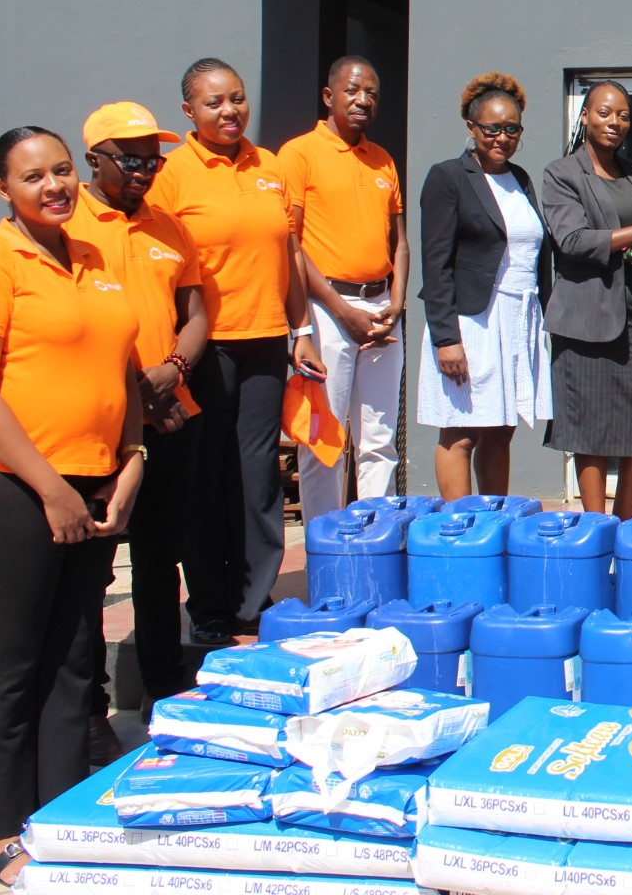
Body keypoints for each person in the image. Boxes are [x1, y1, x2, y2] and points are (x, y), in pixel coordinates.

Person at [0, 127, 145, 885]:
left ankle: (58, 810)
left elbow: (120, 372)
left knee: (75, 660)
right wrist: (51, 488)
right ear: (5, 189)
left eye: (62, 170)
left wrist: (132, 462)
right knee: (16, 660)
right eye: (34, 177)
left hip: (97, 484)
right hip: (16, 489)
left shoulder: (94, 256)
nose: (55, 186)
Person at [153, 59, 321, 646]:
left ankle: (254, 598)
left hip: (265, 340)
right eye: (214, 103)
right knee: (205, 476)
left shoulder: (269, 166)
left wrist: (301, 328)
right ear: (189, 112)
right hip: (204, 348)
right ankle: (209, 604)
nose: (229, 112)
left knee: (257, 475)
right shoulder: (172, 174)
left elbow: (290, 254)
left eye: (237, 100)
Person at [64, 103, 211, 708]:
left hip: (172, 415)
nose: (146, 171)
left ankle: (162, 686)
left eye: (154, 160)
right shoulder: (66, 225)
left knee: (159, 560)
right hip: (99, 425)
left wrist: (171, 371)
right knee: (91, 572)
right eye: (131, 160)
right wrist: (137, 392)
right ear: (93, 160)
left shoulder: (170, 227)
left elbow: (197, 315)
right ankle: (88, 702)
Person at [541, 81, 632, 517]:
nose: (614, 122)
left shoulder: (631, 171)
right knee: (592, 427)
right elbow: (572, 239)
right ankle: (597, 526)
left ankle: (625, 524)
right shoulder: (561, 173)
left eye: (622, 115)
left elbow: (627, 239)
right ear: (584, 116)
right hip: (587, 314)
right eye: (604, 113)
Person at [278, 56, 409, 518]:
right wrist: (339, 309)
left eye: (371, 92)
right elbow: (291, 242)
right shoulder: (298, 154)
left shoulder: (382, 159)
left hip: (379, 309)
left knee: (379, 439)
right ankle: (326, 553)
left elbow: (401, 241)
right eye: (353, 90)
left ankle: (374, 545)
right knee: (325, 441)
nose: (363, 100)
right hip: (326, 311)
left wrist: (395, 302)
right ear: (329, 96)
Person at [416, 73, 552, 500]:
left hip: (517, 318)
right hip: (471, 321)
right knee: (460, 433)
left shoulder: (520, 179)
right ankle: (461, 533)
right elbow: (435, 265)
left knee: (501, 430)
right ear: (471, 128)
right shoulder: (448, 177)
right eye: (491, 129)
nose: (502, 137)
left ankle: (495, 522)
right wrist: (446, 339)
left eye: (512, 129)